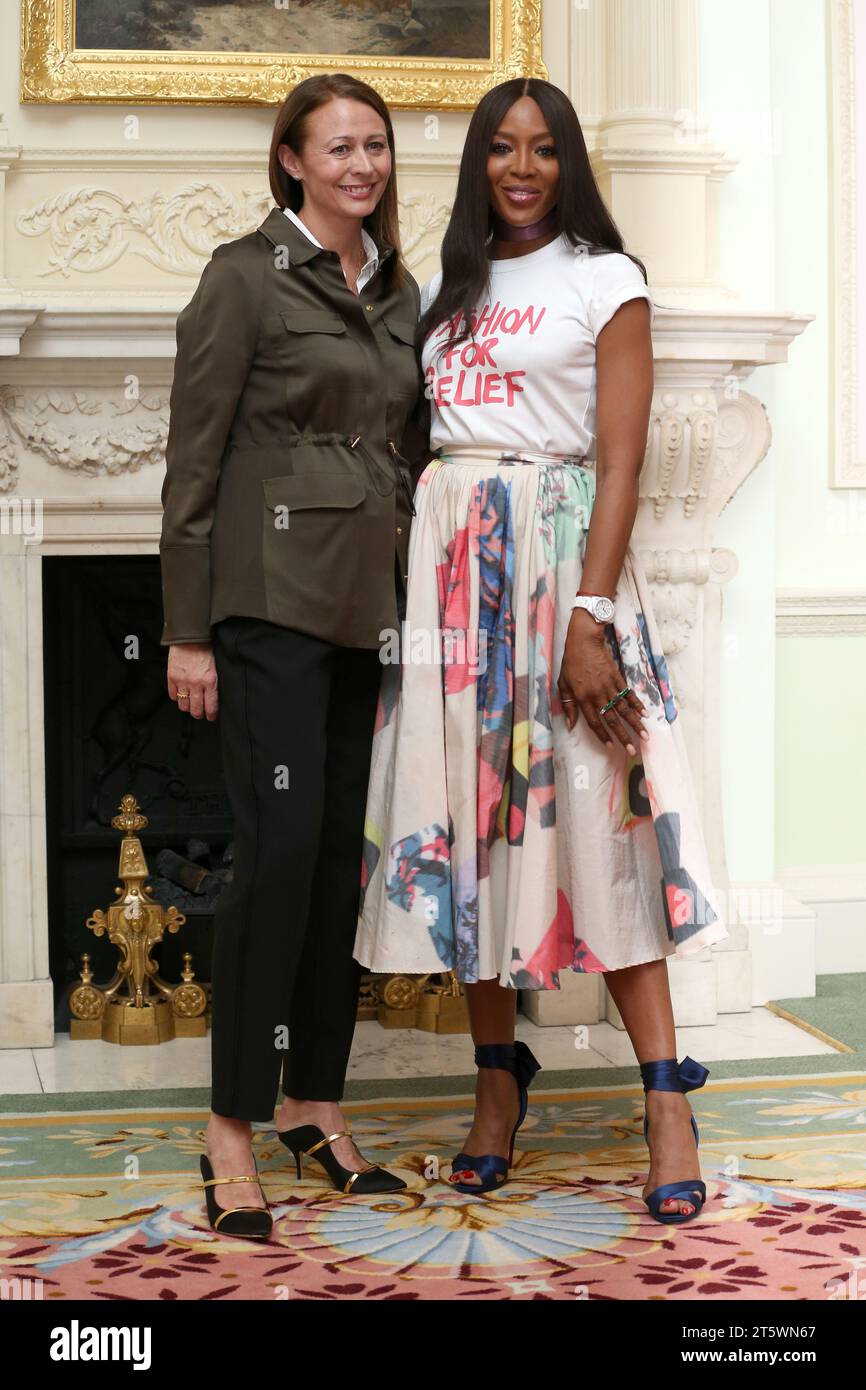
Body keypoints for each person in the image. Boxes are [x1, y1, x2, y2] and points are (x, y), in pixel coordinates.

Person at [355, 77, 728, 1225]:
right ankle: (495, 1083)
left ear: (568, 163)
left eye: (544, 150)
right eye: (502, 149)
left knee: (605, 828)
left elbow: (617, 463)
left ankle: (665, 1096)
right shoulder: (446, 288)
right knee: (467, 831)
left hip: (560, 573)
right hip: (453, 591)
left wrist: (589, 618)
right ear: (478, 163)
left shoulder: (605, 280)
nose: (521, 167)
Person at [160, 72, 425, 1238]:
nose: (360, 164)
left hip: (366, 606)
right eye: (337, 148)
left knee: (332, 867)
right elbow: (192, 463)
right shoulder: (243, 277)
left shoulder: (397, 286)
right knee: (275, 858)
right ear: (290, 161)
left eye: (374, 145)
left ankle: (310, 1102)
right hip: (265, 607)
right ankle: (228, 1126)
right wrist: (184, 629)